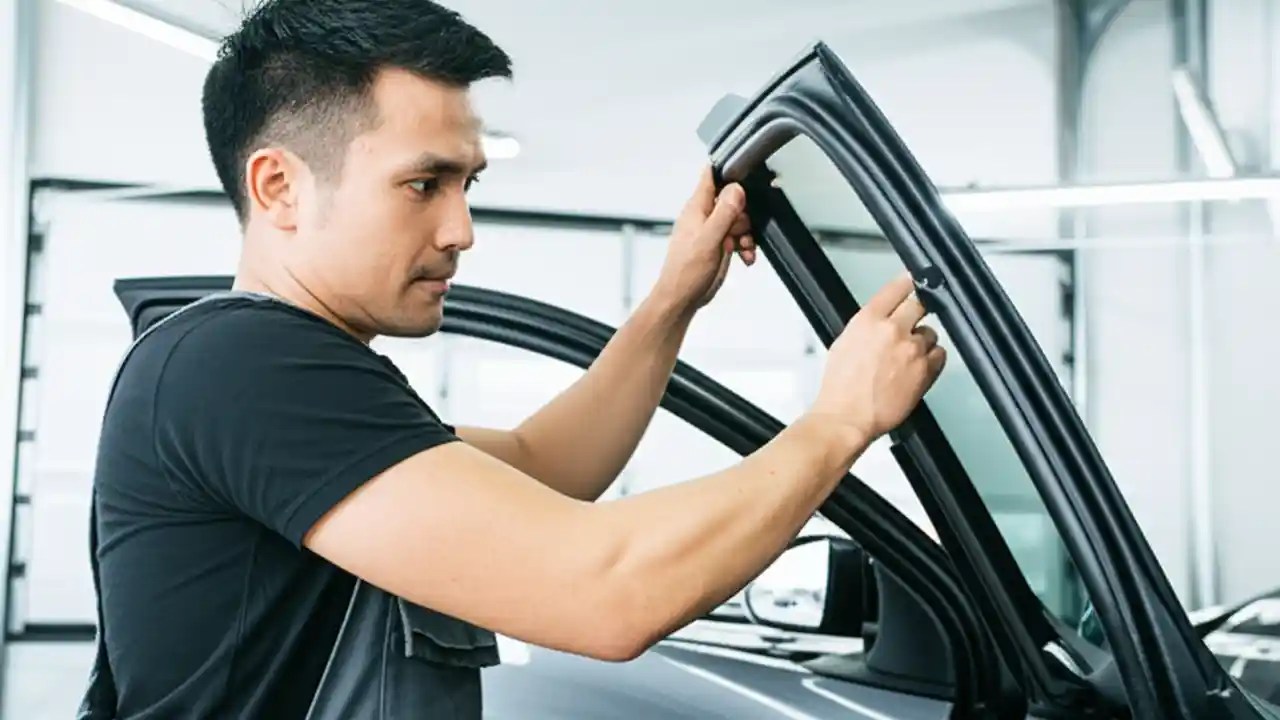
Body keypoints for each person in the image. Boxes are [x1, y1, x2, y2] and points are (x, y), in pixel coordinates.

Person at [89, 0, 946, 717]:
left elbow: (546, 466)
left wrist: (672, 299)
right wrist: (839, 423)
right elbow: (605, 593)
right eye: (424, 185)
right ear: (279, 186)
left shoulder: (279, 372)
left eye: (468, 186)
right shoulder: (246, 368)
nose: (461, 230)